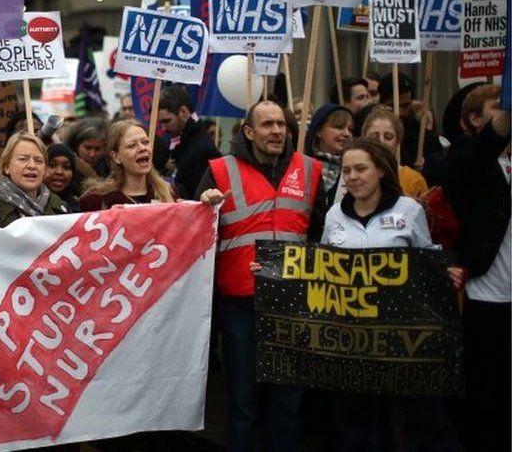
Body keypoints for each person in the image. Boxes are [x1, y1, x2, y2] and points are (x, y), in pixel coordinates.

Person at [196, 99, 327, 452]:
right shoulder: (221, 171)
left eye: (282, 124)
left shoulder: (311, 170)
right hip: (241, 308)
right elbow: (198, 240)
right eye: (268, 124)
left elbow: (321, 236)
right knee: (243, 404)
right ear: (249, 132)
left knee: (287, 406)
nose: (277, 131)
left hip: (293, 308)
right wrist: (203, 208)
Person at [319, 138, 463, 451]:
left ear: (382, 170)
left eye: (361, 168)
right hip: (352, 340)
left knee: (421, 421)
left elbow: (425, 257)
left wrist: (444, 271)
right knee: (355, 427)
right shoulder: (334, 217)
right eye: (346, 170)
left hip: (400, 339)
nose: (352, 176)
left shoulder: (408, 210)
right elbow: (320, 269)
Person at [443, 87, 510, 451]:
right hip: (486, 295)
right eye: (499, 107)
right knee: (487, 393)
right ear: (476, 119)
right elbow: (469, 163)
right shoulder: (468, 159)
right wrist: (502, 125)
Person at [0, 132, 68, 227]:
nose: (32, 165)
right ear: (6, 166)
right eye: (23, 159)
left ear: (45, 169)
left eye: (38, 161)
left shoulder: (60, 209)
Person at [79, 120, 176, 210]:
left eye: (145, 142)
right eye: (132, 145)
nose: (143, 148)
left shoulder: (170, 193)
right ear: (116, 156)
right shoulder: (95, 200)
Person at [157, 85, 220, 199]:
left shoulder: (202, 148)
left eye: (167, 121)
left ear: (183, 111)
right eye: (161, 123)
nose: (163, 128)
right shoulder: (179, 143)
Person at [361, 106, 428, 198]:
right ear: (364, 139)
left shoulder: (413, 180)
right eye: (374, 136)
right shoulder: (353, 174)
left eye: (388, 137)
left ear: (397, 142)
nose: (381, 141)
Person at [377, 73, 442, 166]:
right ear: (381, 105)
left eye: (405, 106)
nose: (399, 112)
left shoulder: (425, 138)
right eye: (393, 106)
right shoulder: (370, 136)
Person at [305, 104, 354, 202]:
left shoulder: (354, 168)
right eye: (339, 127)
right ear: (319, 130)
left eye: (350, 129)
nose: (346, 134)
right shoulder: (302, 166)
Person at [45, 144, 81, 212]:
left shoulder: (77, 210)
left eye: (66, 167)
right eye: (52, 165)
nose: (59, 172)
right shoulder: (32, 205)